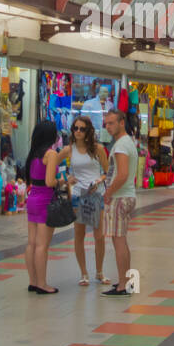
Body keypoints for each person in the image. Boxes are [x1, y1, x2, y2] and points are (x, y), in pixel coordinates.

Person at [61, 115, 109, 286]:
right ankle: (83, 273)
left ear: (88, 131)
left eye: (82, 128)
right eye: (75, 128)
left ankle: (100, 271)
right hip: (78, 195)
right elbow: (54, 165)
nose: (78, 132)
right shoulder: (69, 149)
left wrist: (99, 180)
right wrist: (67, 178)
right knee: (79, 235)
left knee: (99, 235)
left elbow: (107, 171)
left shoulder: (98, 149)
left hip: (95, 194)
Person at [24, 120, 66, 294]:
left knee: (32, 243)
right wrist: (63, 181)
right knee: (43, 245)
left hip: (32, 198)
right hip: (45, 200)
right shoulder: (50, 153)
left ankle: (33, 282)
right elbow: (50, 181)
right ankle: (42, 284)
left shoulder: (33, 154)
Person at [100, 109, 137, 295]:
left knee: (119, 241)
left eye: (111, 123)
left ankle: (124, 285)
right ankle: (127, 280)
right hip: (125, 195)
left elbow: (122, 174)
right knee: (121, 240)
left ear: (122, 122)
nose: (108, 126)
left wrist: (109, 192)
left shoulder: (122, 145)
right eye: (106, 123)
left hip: (120, 196)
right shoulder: (125, 142)